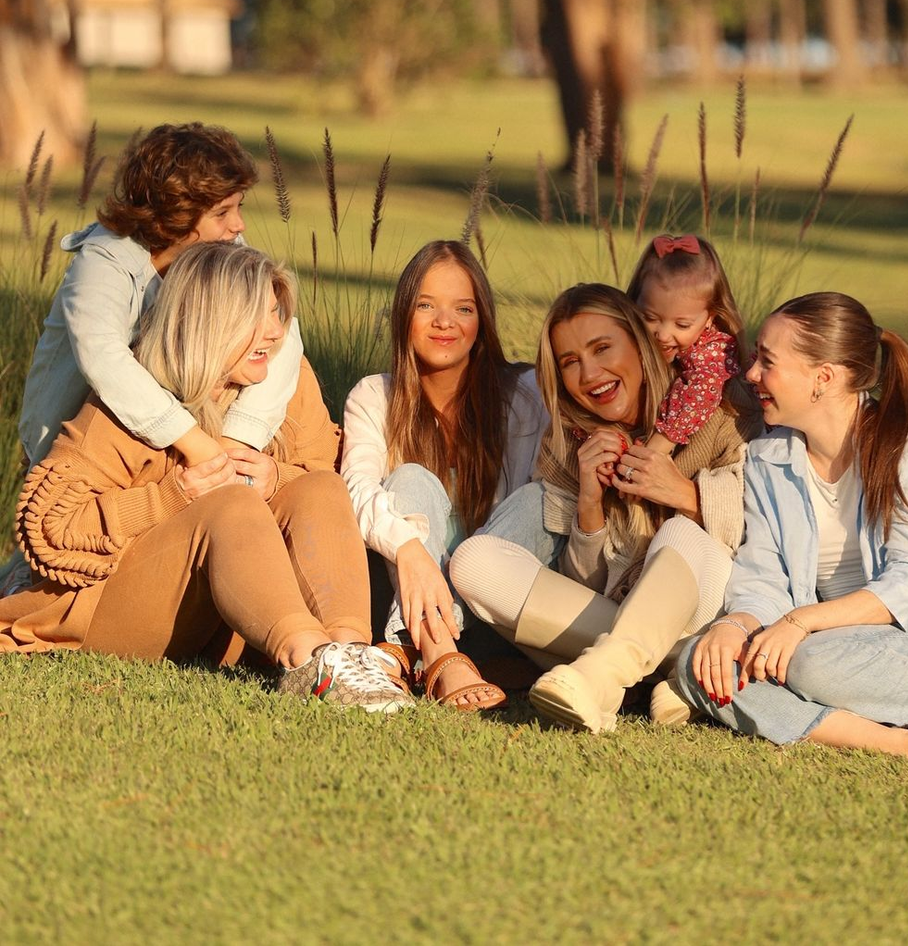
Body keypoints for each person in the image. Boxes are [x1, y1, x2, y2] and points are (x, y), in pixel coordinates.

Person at [2, 242, 410, 713]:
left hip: (227, 620)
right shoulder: (131, 403)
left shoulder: (285, 383)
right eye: (257, 315)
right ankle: (310, 661)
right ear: (210, 320)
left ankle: (350, 657)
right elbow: (50, 525)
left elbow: (325, 481)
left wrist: (277, 477)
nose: (275, 332)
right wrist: (172, 496)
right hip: (112, 613)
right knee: (229, 504)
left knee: (319, 486)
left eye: (278, 313)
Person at [674, 291, 908, 768]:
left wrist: (800, 623)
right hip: (836, 644)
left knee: (810, 662)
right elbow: (764, 574)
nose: (751, 375)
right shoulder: (768, 459)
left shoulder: (906, 447)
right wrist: (732, 626)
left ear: (822, 378)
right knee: (697, 663)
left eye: (768, 362)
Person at [2, 122, 303, 599]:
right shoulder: (105, 260)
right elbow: (102, 357)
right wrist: (199, 446)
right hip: (78, 430)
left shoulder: (223, 250)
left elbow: (288, 339)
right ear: (178, 213)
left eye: (239, 207)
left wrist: (234, 441)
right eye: (224, 211)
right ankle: (33, 579)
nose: (239, 225)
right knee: (77, 529)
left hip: (171, 428)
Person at [450, 282, 761, 732]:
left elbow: (762, 536)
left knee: (680, 534)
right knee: (473, 562)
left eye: (602, 348)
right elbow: (586, 587)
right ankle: (662, 669)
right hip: (651, 630)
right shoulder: (569, 443)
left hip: (708, 607)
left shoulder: (718, 413)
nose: (590, 373)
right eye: (570, 362)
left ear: (641, 344)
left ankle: (607, 672)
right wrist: (590, 506)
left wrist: (682, 494)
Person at [341, 240, 547, 712]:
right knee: (411, 478)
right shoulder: (374, 396)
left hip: (495, 600)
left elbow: (531, 522)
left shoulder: (523, 395)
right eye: (426, 305)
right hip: (404, 591)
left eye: (463, 308)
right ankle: (441, 653)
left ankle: (416, 650)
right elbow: (355, 489)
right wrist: (409, 549)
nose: (444, 322)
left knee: (541, 501)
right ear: (403, 315)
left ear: (482, 319)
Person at [627, 233, 746, 449]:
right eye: (650, 318)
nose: (662, 335)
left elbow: (700, 392)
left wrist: (659, 446)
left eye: (681, 325)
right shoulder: (626, 333)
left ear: (710, 318)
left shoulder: (714, 350)